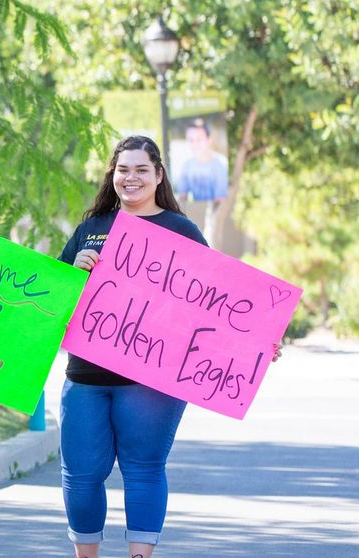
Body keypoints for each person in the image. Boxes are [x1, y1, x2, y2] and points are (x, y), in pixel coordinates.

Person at [56, 135, 278, 558]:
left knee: (142, 470)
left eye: (141, 169)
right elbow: (52, 299)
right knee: (80, 475)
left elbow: (218, 303)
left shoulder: (181, 230)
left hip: (151, 382)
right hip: (85, 375)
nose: (131, 177)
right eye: (123, 169)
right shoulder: (92, 228)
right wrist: (73, 271)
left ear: (159, 175)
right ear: (112, 175)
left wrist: (257, 338)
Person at [170, 118, 227, 206]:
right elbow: (182, 198)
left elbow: (221, 201)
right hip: (195, 213)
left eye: (199, 139)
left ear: (209, 140)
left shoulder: (221, 164)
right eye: (191, 140)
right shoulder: (187, 165)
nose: (194, 144)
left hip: (216, 215)